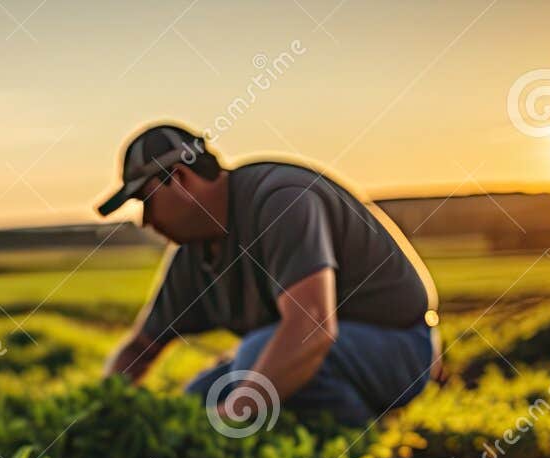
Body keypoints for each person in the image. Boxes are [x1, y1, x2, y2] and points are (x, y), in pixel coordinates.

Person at [97, 124, 441, 427]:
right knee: (200, 396)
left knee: (251, 362)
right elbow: (142, 347)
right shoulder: (193, 254)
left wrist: (232, 417)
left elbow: (312, 327)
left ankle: (355, 432)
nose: (145, 220)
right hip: (333, 350)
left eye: (145, 199)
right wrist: (101, 408)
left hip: (400, 347)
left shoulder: (280, 199)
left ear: (181, 178)